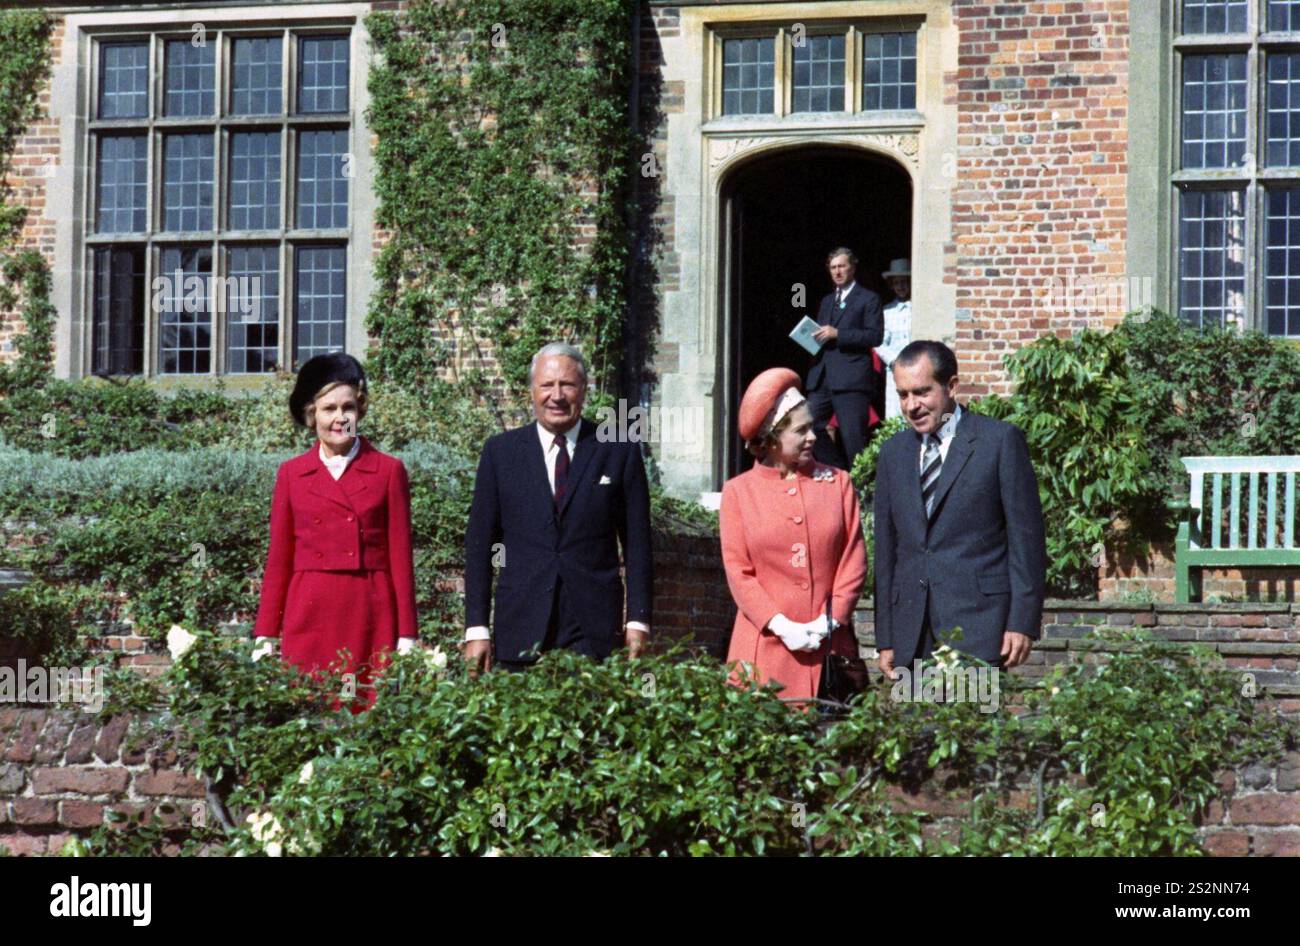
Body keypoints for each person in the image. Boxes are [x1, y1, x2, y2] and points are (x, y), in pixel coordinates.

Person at [463, 343, 653, 672]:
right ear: (531, 391)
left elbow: (638, 546)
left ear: (584, 390)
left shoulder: (618, 450)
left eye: (567, 384)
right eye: (547, 385)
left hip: (593, 630)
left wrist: (638, 621)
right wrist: (477, 628)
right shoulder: (500, 454)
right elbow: (481, 546)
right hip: (520, 626)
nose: (557, 395)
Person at [253, 353, 419, 705]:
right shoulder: (291, 474)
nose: (340, 419)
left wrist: (407, 634)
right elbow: (278, 560)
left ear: (360, 411)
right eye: (329, 409)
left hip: (369, 611)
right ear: (312, 415)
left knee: (363, 711)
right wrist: (265, 632)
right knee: (311, 709)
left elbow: (401, 559)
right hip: (309, 612)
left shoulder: (388, 471)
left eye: (348, 408)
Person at [872, 341, 1046, 676]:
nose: (911, 406)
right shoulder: (893, 454)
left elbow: (1027, 542)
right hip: (912, 637)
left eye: (922, 392)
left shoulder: (998, 442)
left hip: (979, 630)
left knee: (973, 729)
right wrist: (887, 638)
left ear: (952, 386)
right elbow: (887, 552)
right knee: (914, 729)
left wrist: (1021, 622)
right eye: (903, 395)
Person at [720, 367, 866, 703]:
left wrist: (830, 621)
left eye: (812, 428)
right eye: (800, 431)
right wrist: (782, 625)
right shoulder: (738, 493)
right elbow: (739, 572)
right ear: (771, 438)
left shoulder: (838, 483)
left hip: (830, 653)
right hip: (762, 652)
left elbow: (854, 559)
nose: (813, 437)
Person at [805, 247, 884, 470]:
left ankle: (861, 492)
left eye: (841, 266)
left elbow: (874, 336)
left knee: (854, 438)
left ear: (852, 267)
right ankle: (839, 469)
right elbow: (823, 334)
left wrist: (838, 334)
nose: (837, 272)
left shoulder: (869, 299)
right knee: (807, 424)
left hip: (851, 378)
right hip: (822, 376)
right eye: (833, 268)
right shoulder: (827, 301)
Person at [876, 258, 913, 420]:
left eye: (904, 282)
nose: (901, 287)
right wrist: (893, 360)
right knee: (895, 412)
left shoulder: (919, 308)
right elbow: (879, 341)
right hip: (895, 370)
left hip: (916, 367)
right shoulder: (887, 312)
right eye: (897, 283)